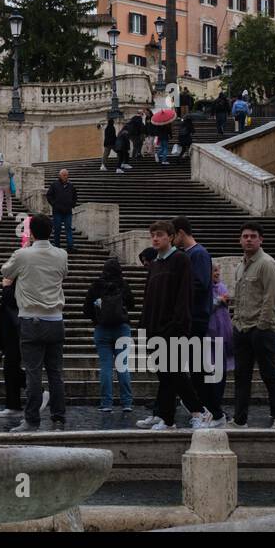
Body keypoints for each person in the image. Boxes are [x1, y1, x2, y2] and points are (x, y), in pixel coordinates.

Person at [139, 220, 210, 430]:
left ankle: (200, 411)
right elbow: (148, 298)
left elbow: (184, 295)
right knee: (165, 375)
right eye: (152, 235)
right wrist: (144, 326)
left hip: (173, 327)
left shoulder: (180, 259)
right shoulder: (156, 264)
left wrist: (178, 324)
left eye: (159, 235)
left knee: (175, 373)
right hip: (154, 328)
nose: (155, 238)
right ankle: (168, 419)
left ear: (170, 237)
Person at [1, 214, 68, 432]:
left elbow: (6, 272)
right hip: (56, 319)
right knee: (55, 373)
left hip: (31, 319)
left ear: (31, 232)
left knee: (33, 373)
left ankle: (31, 420)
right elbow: (63, 274)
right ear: (51, 231)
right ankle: (59, 418)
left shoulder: (23, 254)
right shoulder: (61, 254)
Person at [230, 221, 275, 428]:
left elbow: (271, 298)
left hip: (262, 329)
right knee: (241, 377)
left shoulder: (267, 263)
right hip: (241, 328)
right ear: (240, 240)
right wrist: (235, 322)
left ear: (260, 239)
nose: (248, 239)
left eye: (253, 236)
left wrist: (261, 326)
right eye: (245, 236)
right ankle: (240, 419)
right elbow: (238, 297)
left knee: (270, 375)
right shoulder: (240, 265)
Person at [173, 216, 224, 424]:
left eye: (172, 235)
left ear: (181, 233)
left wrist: (177, 295)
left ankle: (212, 411)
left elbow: (201, 284)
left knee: (197, 368)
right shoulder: (189, 254)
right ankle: (208, 410)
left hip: (196, 317)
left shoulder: (199, 254)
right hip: (191, 317)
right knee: (194, 368)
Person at [86, 256, 134, 413]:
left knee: (106, 367)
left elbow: (86, 309)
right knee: (123, 366)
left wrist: (97, 318)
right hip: (122, 328)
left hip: (102, 330)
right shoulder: (123, 285)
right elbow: (132, 304)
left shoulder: (96, 286)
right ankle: (127, 403)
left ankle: (106, 404)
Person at [0, 279, 24, 419]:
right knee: (10, 368)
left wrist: (6, 287)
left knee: (11, 368)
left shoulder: (16, 284)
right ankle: (13, 405)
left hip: (14, 331)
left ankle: (37, 390)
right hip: (10, 331)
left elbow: (12, 302)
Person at [208, 268, 235, 421]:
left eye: (218, 270)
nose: (217, 273)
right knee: (211, 374)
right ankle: (211, 406)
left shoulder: (222, 287)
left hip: (223, 335)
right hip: (210, 336)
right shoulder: (204, 288)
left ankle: (216, 406)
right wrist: (219, 301)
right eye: (214, 271)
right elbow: (203, 307)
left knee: (221, 373)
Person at [44, 168, 78, 253]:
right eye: (64, 175)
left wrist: (72, 204)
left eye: (67, 175)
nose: (65, 176)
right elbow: (49, 195)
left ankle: (70, 246)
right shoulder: (54, 185)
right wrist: (54, 204)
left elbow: (75, 197)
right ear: (60, 175)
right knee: (57, 229)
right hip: (57, 211)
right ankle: (57, 246)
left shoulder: (71, 186)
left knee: (68, 229)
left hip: (68, 211)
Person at [0, 153, 15, 220]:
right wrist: (8, 177)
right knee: (8, 198)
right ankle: (10, 212)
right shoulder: (8, 165)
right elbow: (12, 173)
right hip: (6, 184)